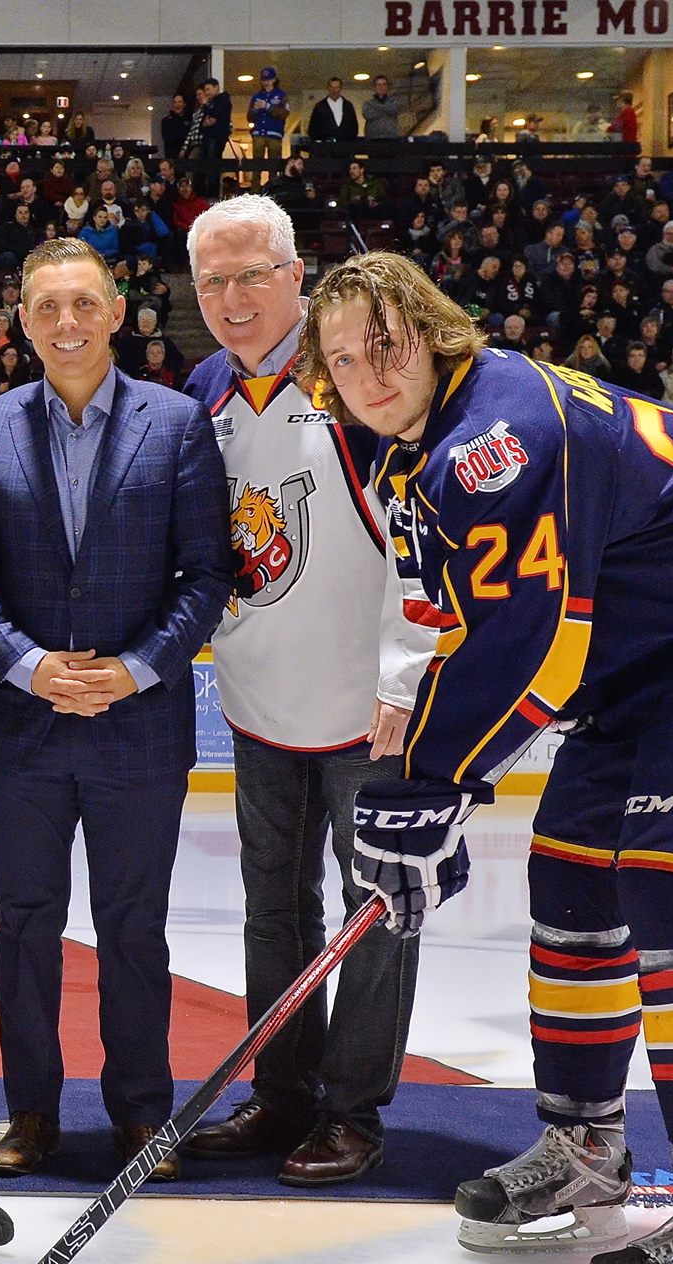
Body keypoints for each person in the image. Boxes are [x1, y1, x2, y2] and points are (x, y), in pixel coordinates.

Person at [299, 252, 673, 1264]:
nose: (365, 372)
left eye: (385, 342)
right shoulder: (408, 452)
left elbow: (530, 642)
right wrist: (425, 781)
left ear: (433, 330)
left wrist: (432, 786)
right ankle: (586, 1147)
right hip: (643, 657)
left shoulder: (492, 437)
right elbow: (453, 630)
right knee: (567, 888)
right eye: (339, 358)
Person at [0, 238, 233, 1182]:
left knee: (134, 929)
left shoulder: (180, 424)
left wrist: (138, 669)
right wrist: (25, 666)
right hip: (25, 729)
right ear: (23, 322)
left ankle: (144, 1117)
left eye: (82, 304)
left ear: (115, 311)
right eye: (44, 308)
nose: (65, 323)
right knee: (24, 927)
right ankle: (30, 1114)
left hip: (137, 728)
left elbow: (205, 576)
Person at [177, 198, 435, 1186]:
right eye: (210, 282)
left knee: (376, 910)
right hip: (257, 709)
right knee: (270, 912)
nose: (232, 299)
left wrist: (407, 679)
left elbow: (422, 538)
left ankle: (351, 1111)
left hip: (370, 713)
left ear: (296, 274)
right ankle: (279, 1092)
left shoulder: (357, 377)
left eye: (251, 275)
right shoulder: (200, 391)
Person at [247, 68, 289, 176]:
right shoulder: (256, 96)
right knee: (256, 166)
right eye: (263, 80)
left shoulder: (281, 95)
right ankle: (255, 190)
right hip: (259, 133)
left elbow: (284, 114)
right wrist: (255, 110)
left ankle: (273, 190)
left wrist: (268, 107)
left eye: (268, 79)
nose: (265, 82)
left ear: (274, 80)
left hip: (274, 134)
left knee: (273, 166)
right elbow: (249, 117)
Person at [306, 77, 359, 145]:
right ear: (328, 88)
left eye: (337, 87)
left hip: (345, 146)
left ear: (341, 88)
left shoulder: (348, 106)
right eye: (331, 87)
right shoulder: (320, 106)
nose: (334, 90)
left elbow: (354, 126)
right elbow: (313, 127)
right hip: (325, 147)